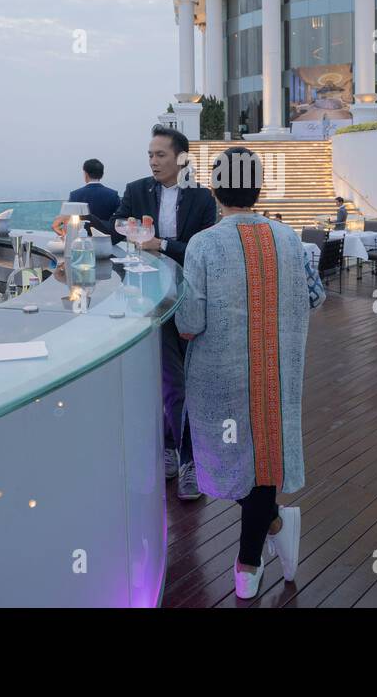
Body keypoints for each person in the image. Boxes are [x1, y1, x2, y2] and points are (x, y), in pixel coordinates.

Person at [175, 146, 325, 600]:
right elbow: (315, 297)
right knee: (262, 455)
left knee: (229, 457)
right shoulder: (290, 238)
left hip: (220, 376)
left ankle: (248, 560)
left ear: (216, 190)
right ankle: (275, 522)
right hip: (277, 370)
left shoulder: (202, 244)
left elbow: (189, 323)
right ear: (258, 189)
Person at [110, 125, 218, 499]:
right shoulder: (137, 189)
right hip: (151, 296)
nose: (154, 162)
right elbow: (115, 227)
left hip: (191, 297)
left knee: (185, 382)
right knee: (170, 379)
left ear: (181, 159)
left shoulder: (202, 197)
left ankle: (185, 456)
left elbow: (202, 249)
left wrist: (162, 244)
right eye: (151, 155)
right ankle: (178, 453)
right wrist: (131, 231)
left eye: (161, 155)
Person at [68, 158, 120, 233]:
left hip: (82, 236)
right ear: (102, 175)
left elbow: (69, 219)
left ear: (86, 174)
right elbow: (119, 217)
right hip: (105, 236)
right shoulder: (113, 194)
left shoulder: (74, 195)